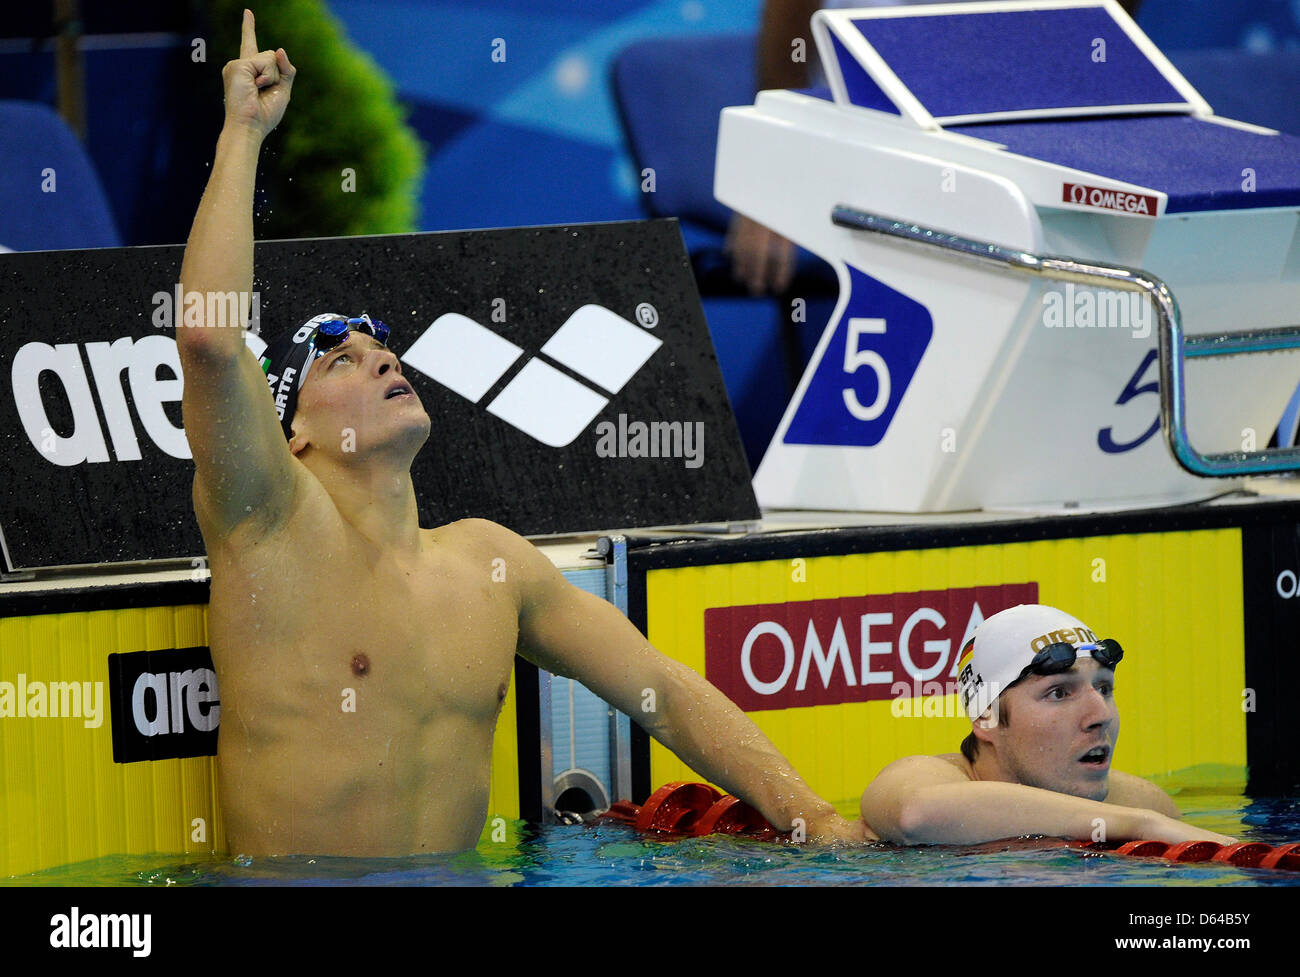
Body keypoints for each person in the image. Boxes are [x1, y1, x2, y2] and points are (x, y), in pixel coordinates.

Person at [177, 9, 867, 857]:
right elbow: (210, 341)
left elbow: (659, 687)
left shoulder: (487, 564)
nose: (381, 358)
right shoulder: (268, 529)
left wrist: (814, 814)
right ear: (293, 439)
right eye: (339, 360)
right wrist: (243, 131)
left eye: (382, 346)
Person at [729, 0, 1146, 295]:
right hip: (868, 149)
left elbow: (1103, 32)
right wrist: (773, 172)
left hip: (1009, 149)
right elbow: (788, 34)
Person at [860, 604, 1236, 846]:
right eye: (1059, 693)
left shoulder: (1142, 803)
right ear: (985, 718)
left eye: (1104, 688)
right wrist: (1139, 828)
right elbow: (916, 815)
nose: (1100, 715)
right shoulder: (921, 778)